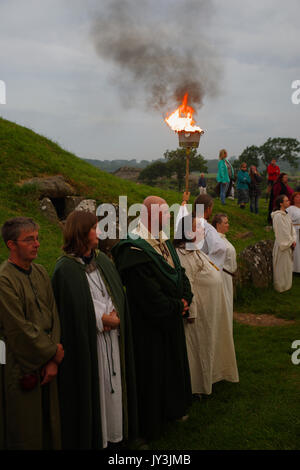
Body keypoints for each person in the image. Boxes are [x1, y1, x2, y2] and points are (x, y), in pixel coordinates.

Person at [51, 210, 138, 450]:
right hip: (92, 344)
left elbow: (115, 293)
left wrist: (116, 316)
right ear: (81, 233)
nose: (99, 232)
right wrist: (102, 320)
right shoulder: (65, 270)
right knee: (97, 390)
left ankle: (116, 436)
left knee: (114, 388)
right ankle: (97, 438)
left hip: (112, 338)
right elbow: (71, 311)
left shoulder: (102, 260)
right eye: (94, 228)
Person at [112, 196, 193, 441]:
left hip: (171, 317)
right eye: (165, 213)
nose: (169, 217)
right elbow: (146, 293)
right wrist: (175, 306)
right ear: (150, 214)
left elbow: (180, 273)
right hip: (149, 324)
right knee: (153, 370)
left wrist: (186, 298)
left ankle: (173, 409)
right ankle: (152, 422)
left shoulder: (162, 240)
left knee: (172, 365)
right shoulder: (134, 247)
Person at [0, 217, 63, 450]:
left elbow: (54, 315)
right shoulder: (4, 280)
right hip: (21, 364)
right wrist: (51, 352)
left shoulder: (40, 272)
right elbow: (17, 328)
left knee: (50, 422)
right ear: (11, 245)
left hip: (48, 360)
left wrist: (54, 356)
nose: (36, 244)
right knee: (26, 427)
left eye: (37, 238)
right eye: (29, 240)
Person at [174, 214, 239, 397]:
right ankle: (197, 386)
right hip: (198, 315)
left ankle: (213, 375)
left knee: (211, 345)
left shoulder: (195, 250)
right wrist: (192, 312)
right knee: (199, 349)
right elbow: (188, 284)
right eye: (199, 228)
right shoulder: (182, 254)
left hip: (211, 310)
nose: (203, 231)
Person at [211, 214, 237, 323]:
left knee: (227, 303)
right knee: (224, 303)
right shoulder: (216, 240)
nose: (228, 225)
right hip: (222, 276)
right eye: (225, 223)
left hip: (227, 276)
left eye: (227, 222)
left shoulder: (222, 238)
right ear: (218, 225)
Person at [271, 195, 296, 292]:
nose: (288, 202)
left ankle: (287, 285)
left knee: (287, 266)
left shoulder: (286, 215)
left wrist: (293, 240)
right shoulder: (278, 216)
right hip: (283, 245)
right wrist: (290, 241)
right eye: (286, 201)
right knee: (281, 267)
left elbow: (291, 229)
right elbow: (282, 232)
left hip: (289, 243)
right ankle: (280, 286)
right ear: (281, 203)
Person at [286, 192, 300, 274]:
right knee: (296, 250)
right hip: (295, 230)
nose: (299, 198)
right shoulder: (290, 209)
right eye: (297, 197)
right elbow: (287, 220)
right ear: (293, 199)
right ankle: (295, 269)